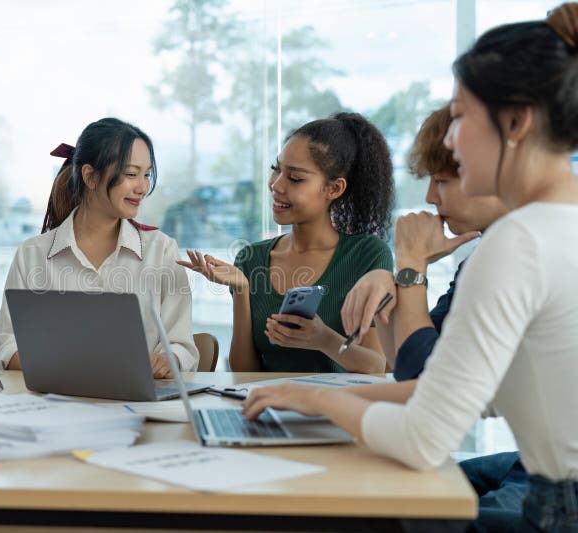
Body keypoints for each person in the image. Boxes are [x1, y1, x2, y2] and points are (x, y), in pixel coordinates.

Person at [243, 4, 578, 530]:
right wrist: (302, 396)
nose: (449, 138)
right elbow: (467, 393)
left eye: (461, 115)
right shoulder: (556, 227)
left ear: (516, 123)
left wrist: (315, 400)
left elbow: (424, 436)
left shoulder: (518, 242)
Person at [343, 105, 526, 530]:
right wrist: (393, 281)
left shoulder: (513, 256)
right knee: (392, 490)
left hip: (559, 483)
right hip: (529, 460)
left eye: (443, 180)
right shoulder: (484, 255)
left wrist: (411, 267)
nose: (430, 199)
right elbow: (408, 366)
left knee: (396, 513)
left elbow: (424, 377)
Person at [180, 112, 394, 373]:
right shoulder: (250, 258)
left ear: (334, 189)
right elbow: (244, 373)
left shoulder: (367, 255)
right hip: (268, 408)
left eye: (295, 178)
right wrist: (241, 291)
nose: (276, 185)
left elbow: (377, 366)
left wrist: (324, 340)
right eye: (276, 170)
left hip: (336, 409)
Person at [0, 117, 199, 376]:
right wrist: (68, 369)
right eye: (131, 174)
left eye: (146, 175)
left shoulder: (162, 250)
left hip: (139, 408)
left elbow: (182, 347)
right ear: (90, 176)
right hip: (53, 406)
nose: (143, 187)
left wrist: (171, 359)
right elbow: (7, 343)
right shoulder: (32, 255)